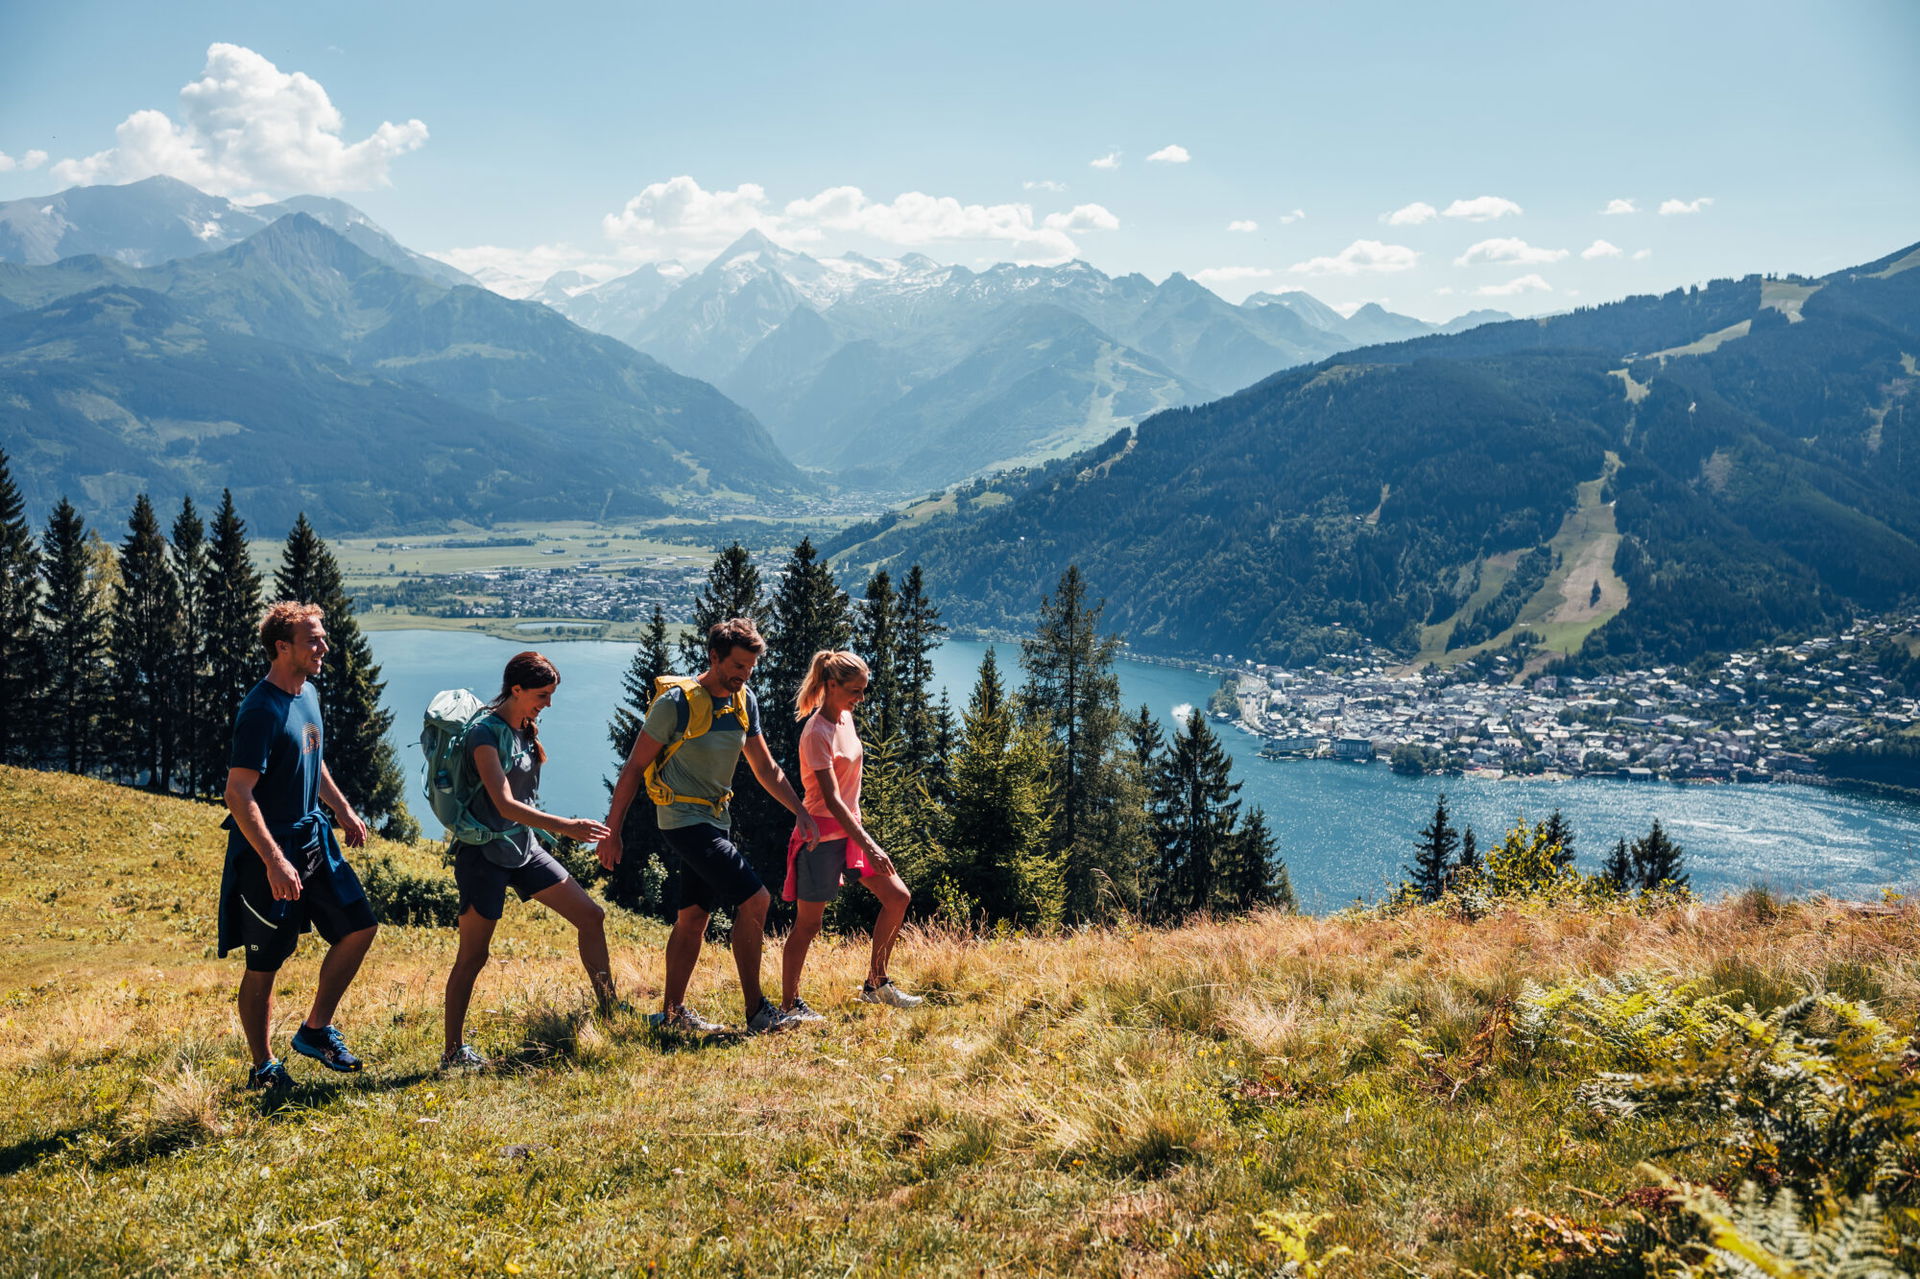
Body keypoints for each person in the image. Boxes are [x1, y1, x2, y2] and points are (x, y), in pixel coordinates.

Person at [600, 618, 818, 1034]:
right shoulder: (675, 705)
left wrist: (800, 810)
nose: (743, 674)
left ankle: (673, 1014)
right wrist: (613, 831)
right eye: (737, 665)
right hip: (683, 821)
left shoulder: (743, 701)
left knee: (693, 916)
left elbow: (766, 768)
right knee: (755, 901)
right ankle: (757, 1011)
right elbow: (633, 769)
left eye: (750, 667)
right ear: (713, 656)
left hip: (716, 819)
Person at [219, 601, 377, 1089]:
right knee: (265, 962)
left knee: (359, 927)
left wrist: (342, 809)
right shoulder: (260, 710)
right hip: (269, 850)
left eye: (322, 637)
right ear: (281, 647)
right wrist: (273, 860)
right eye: (313, 640)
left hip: (314, 839)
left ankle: (314, 1030)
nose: (324, 647)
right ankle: (263, 1066)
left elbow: (313, 755)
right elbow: (237, 792)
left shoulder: (307, 694)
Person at [440, 652, 615, 1072]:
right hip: (483, 853)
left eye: (551, 695)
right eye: (542, 695)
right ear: (515, 689)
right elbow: (504, 801)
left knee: (591, 916)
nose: (548, 704)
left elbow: (519, 805)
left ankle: (611, 1011)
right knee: (473, 955)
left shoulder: (523, 726)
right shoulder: (485, 733)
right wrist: (567, 826)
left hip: (522, 847)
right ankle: (453, 1052)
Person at [778, 651, 924, 1019]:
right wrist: (870, 845)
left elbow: (847, 795)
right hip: (822, 838)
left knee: (897, 897)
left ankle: (877, 984)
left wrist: (862, 839)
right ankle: (790, 1004)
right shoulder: (816, 733)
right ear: (831, 685)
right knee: (809, 925)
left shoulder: (845, 718)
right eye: (854, 691)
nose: (860, 698)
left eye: (863, 691)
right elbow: (830, 799)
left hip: (851, 831)